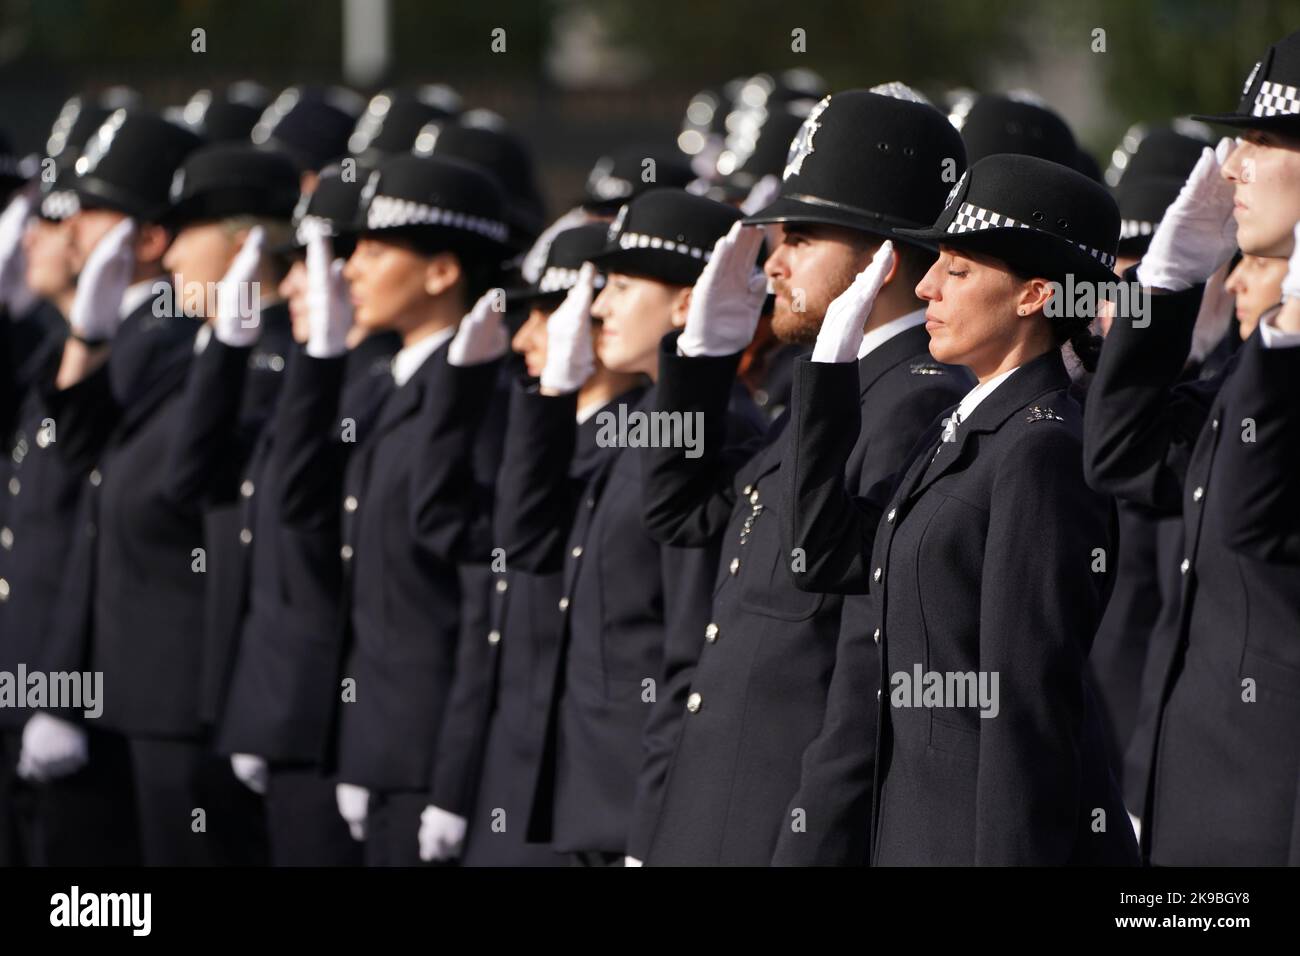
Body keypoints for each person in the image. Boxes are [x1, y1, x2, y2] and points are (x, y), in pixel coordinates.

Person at [641, 88, 972, 866]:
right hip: (716, 818)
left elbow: (864, 677)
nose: (774, 262)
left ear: (882, 254)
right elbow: (681, 513)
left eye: (799, 236)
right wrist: (702, 361)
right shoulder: (833, 387)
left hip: (778, 833)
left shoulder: (910, 403)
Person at [782, 153, 1137, 864]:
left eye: (960, 269)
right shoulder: (960, 426)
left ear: (1036, 295)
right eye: (935, 261)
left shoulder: (1040, 449)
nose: (925, 286)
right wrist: (826, 375)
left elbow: (1026, 706)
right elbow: (823, 553)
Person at [496, 188, 761, 866]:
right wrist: (555, 392)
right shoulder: (644, 418)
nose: (597, 307)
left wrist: (652, 834)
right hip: (588, 807)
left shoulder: (711, 433)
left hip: (636, 815)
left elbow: (686, 658)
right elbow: (529, 539)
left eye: (620, 286)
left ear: (687, 303)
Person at [1085, 28, 1300, 864]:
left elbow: (1254, 519)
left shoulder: (1276, 364)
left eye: (1263, 141)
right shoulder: (1258, 359)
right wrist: (1165, 289)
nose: (1233, 166)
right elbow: (1124, 457)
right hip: (1186, 815)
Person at [330, 154, 511, 866]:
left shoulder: (480, 397)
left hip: (432, 754)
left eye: (376, 251)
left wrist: (452, 780)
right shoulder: (382, 383)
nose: (351, 267)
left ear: (442, 272)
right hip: (380, 751)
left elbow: (478, 602)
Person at [214, 162, 396, 866]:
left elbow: (307, 517)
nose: (292, 285)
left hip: (339, 725)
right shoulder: (319, 373)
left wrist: (320, 362)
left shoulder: (371, 381)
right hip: (287, 714)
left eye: (318, 263)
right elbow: (197, 472)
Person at [461, 222, 641, 867]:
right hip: (513, 765)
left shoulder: (647, 434)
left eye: (549, 313)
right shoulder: (547, 422)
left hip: (590, 782)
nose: (527, 337)